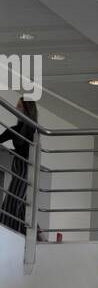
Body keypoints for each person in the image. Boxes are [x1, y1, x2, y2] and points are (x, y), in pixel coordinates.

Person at [0, 97, 38, 234]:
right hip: (18, 167)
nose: (16, 109)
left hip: (25, 169)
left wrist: (14, 151)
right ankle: (33, 232)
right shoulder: (16, 129)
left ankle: (12, 230)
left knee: (17, 199)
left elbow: (27, 151)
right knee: (17, 199)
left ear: (27, 110)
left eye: (20, 106)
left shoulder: (33, 131)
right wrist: (13, 151)